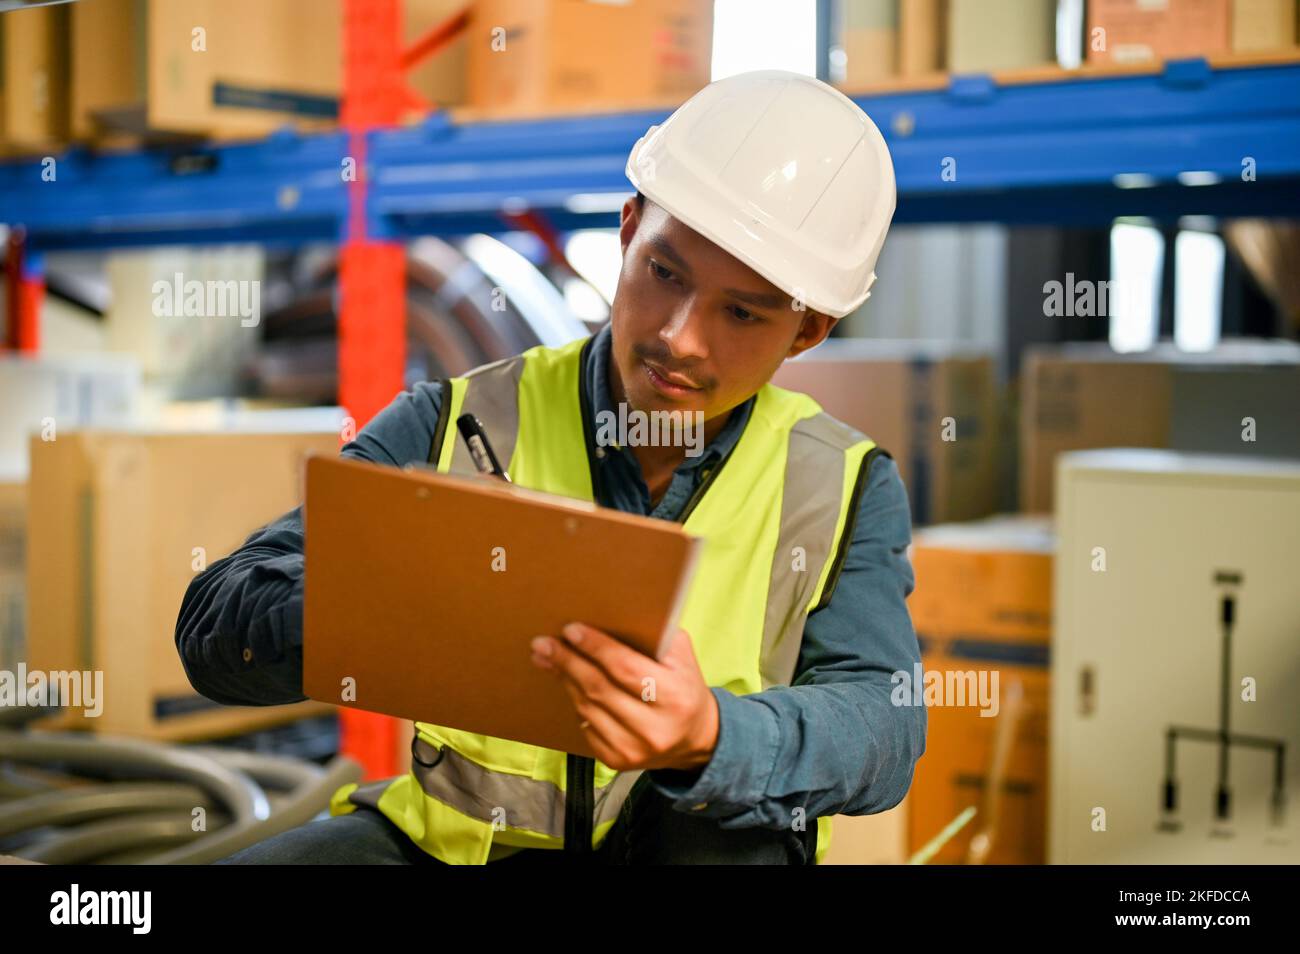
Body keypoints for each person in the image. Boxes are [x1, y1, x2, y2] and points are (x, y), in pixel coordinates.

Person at [178, 69, 925, 865]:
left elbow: (883, 723)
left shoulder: (838, 485)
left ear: (806, 332)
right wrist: (389, 605)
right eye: (664, 273)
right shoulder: (460, 424)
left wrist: (710, 734)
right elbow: (215, 630)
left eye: (740, 312)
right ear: (629, 227)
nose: (680, 336)